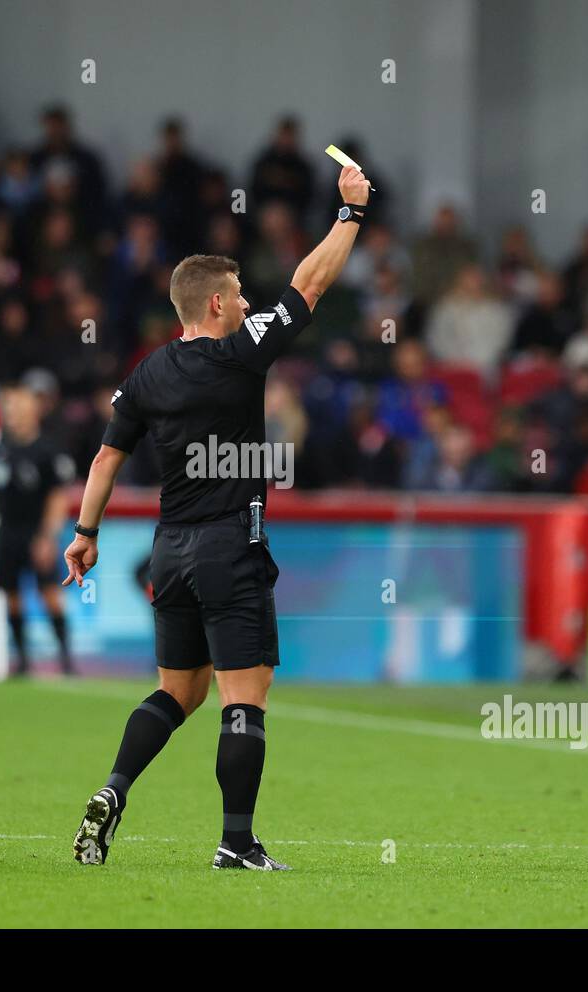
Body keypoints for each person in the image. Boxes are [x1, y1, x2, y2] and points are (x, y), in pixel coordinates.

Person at [62, 164, 371, 871]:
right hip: (232, 545)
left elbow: (106, 461)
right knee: (245, 694)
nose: (246, 301)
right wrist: (350, 215)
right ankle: (236, 842)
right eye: (237, 295)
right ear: (214, 306)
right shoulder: (240, 354)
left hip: (169, 550)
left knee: (179, 690)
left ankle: (114, 789)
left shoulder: (145, 374)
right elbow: (311, 285)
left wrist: (85, 534)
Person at [0, 385, 76, 676]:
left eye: (19, 408)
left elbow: (58, 497)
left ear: (34, 411)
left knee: (50, 593)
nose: (13, 414)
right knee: (11, 594)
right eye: (8, 409)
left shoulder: (48, 451)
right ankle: (22, 660)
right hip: (7, 532)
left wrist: (47, 536)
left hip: (36, 532)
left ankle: (66, 659)